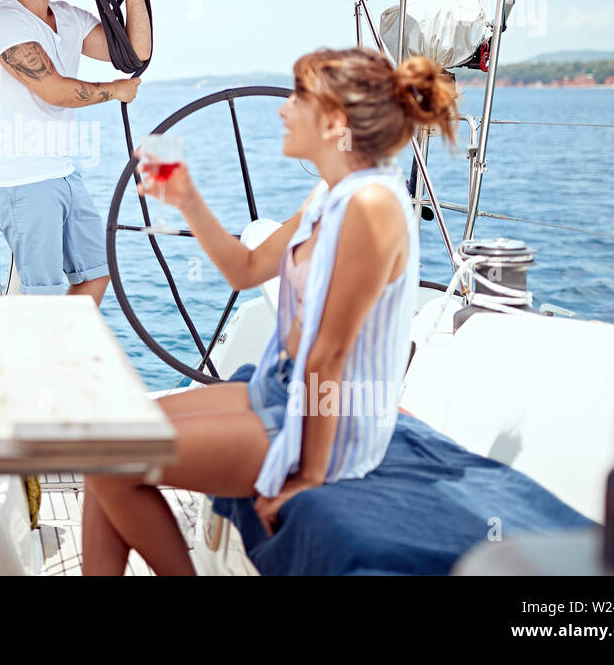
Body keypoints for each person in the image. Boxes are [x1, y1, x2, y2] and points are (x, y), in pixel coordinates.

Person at [81, 46, 459, 575]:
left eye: (298, 96)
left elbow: (328, 354)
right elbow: (248, 268)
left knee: (108, 464)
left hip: (328, 421)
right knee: (104, 441)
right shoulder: (331, 194)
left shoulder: (372, 208)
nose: (283, 109)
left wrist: (307, 476)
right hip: (281, 390)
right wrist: (187, 199)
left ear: (332, 121)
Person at [0, 0, 150, 303]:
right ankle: (37, 361)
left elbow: (134, 54)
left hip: (63, 172)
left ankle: (62, 356)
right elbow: (53, 89)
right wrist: (115, 92)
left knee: (97, 274)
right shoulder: (4, 20)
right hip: (21, 179)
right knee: (44, 296)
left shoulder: (70, 17)